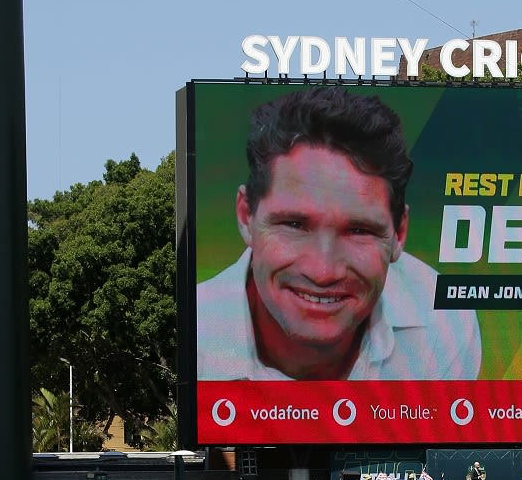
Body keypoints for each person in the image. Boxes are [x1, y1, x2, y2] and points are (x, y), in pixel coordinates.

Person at [196, 85, 480, 381]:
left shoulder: (444, 324)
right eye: (294, 225)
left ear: (399, 233)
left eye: (359, 230)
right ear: (246, 216)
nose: (323, 271)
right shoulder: (193, 335)